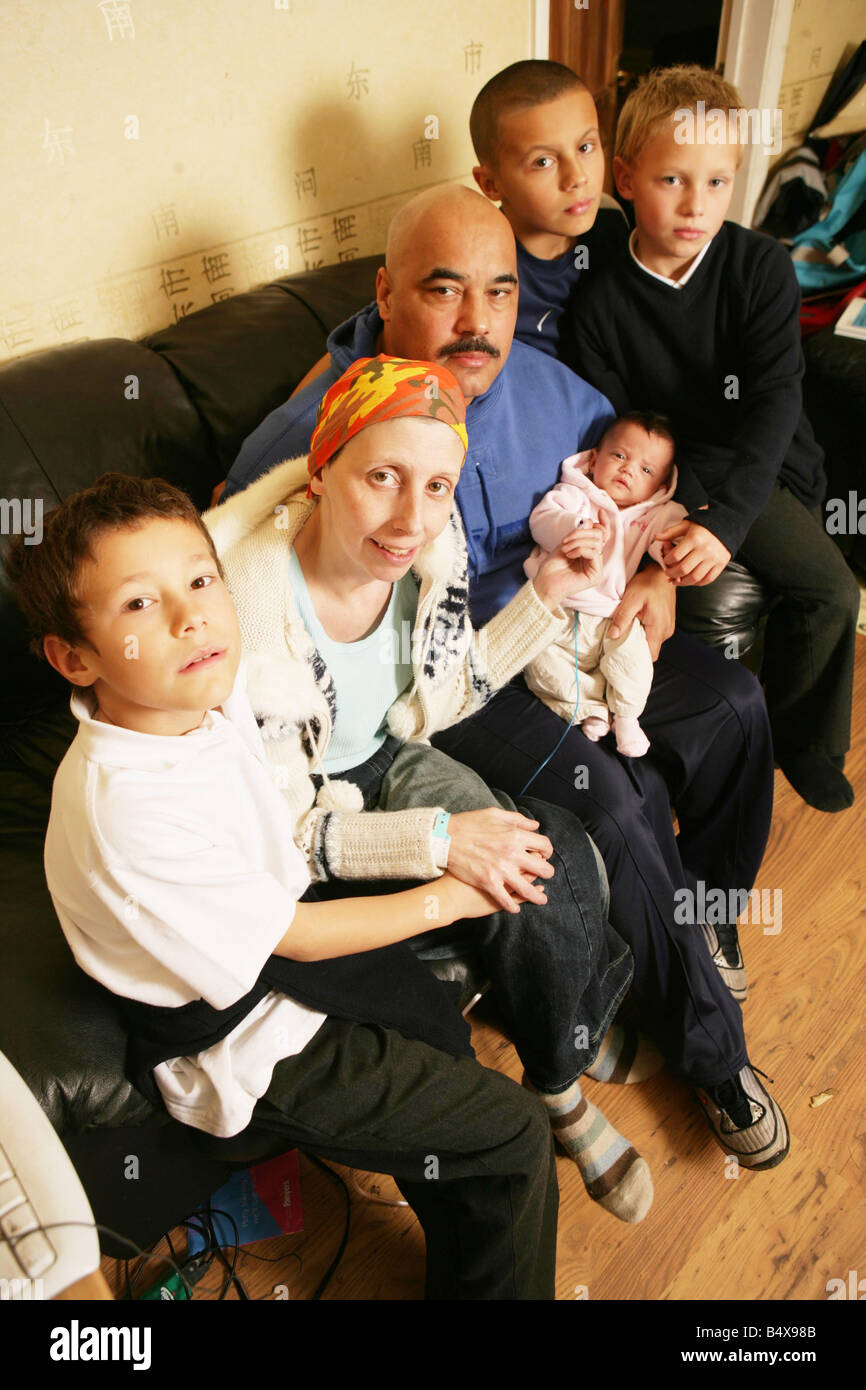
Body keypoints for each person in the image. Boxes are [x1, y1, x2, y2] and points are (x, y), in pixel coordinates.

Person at [220, 183, 790, 1171]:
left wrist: (652, 574)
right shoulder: (315, 428)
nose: (476, 321)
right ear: (385, 293)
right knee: (608, 798)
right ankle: (711, 1052)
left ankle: (708, 918)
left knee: (735, 703)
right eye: (444, 291)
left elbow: (641, 471)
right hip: (451, 669)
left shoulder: (547, 384)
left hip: (566, 611)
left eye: (498, 290)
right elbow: (221, 550)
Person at [8, 470, 569, 1300]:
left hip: (281, 927)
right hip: (239, 1029)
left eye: (201, 581)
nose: (190, 614)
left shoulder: (201, 685)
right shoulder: (125, 808)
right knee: (516, 1134)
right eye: (138, 604)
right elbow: (293, 939)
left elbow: (246, 523)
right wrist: (451, 892)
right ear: (73, 657)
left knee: (443, 1054)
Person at [208, 353, 658, 1223]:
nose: (411, 516)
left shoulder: (427, 557)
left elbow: (445, 697)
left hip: (389, 756)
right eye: (383, 477)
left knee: (556, 853)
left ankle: (557, 1071)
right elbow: (292, 833)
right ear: (323, 467)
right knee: (500, 868)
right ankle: (559, 1062)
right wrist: (444, 846)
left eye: (438, 485)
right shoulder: (251, 614)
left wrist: (547, 598)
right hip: (309, 812)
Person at [568, 64, 859, 814]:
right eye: (672, 180)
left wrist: (720, 522)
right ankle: (718, 751)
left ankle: (806, 742)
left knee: (830, 590)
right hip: (670, 473)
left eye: (718, 183)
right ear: (626, 178)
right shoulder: (600, 300)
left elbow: (773, 400)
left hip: (760, 465)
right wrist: (677, 521)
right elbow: (622, 430)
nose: (697, 205)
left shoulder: (758, 266)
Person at [522, 412, 685, 757]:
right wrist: (572, 528)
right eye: (620, 456)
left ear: (659, 486)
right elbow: (542, 521)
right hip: (556, 612)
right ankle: (591, 709)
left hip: (613, 616)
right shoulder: (574, 496)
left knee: (634, 661)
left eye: (645, 470)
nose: (628, 470)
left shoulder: (655, 514)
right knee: (539, 669)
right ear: (594, 458)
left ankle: (626, 716)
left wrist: (669, 551)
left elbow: (673, 535)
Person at [468, 58, 629, 362]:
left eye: (586, 147)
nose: (578, 177)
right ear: (491, 184)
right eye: (543, 162)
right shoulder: (481, 270)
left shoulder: (614, 229)